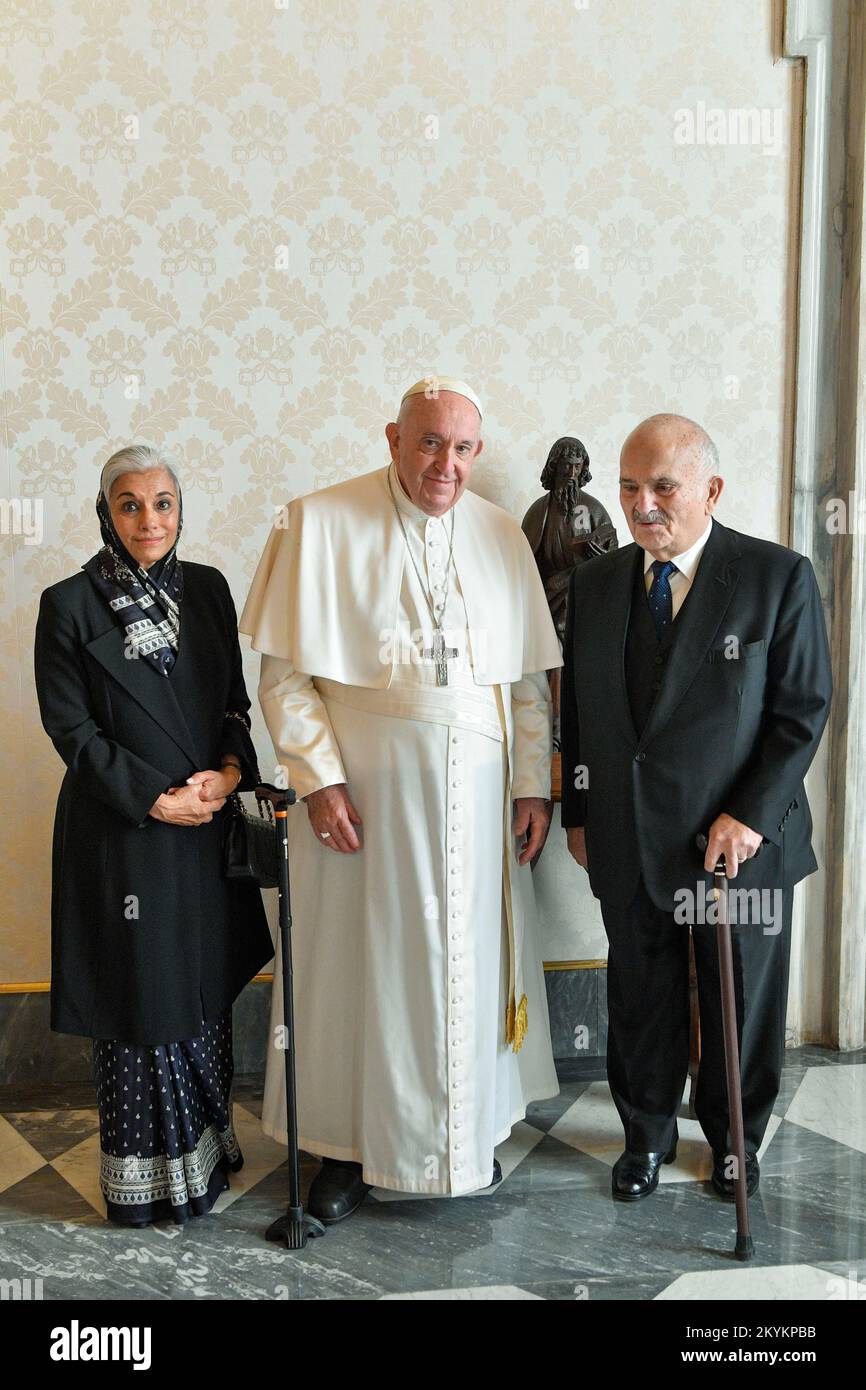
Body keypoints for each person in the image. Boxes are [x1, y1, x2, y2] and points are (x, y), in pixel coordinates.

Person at [240, 376, 562, 1223]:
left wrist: (533, 782)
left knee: (468, 963)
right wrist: (319, 779)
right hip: (365, 802)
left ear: (478, 453)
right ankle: (344, 1151)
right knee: (361, 971)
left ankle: (465, 1137)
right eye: (428, 443)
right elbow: (285, 677)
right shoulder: (319, 520)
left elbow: (526, 682)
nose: (444, 464)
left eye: (461, 448)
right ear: (392, 437)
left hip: (480, 797)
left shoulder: (500, 537)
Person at [560, 413, 832, 1202]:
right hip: (626, 832)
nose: (643, 504)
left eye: (663, 487)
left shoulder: (776, 576)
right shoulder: (598, 581)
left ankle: (735, 1142)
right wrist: (580, 810)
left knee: (737, 997)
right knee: (638, 996)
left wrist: (750, 813)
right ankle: (644, 1137)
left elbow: (802, 711)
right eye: (629, 486)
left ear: (711, 490)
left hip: (740, 842)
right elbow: (582, 707)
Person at [34, 445, 274, 1227]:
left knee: (199, 988)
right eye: (131, 504)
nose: (150, 520)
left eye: (164, 502)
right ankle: (149, 1183)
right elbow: (72, 731)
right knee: (143, 996)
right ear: (105, 512)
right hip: (125, 833)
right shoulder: (67, 604)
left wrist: (232, 774)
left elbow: (232, 703)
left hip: (203, 826)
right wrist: (154, 799)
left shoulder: (207, 589)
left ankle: (208, 1152)